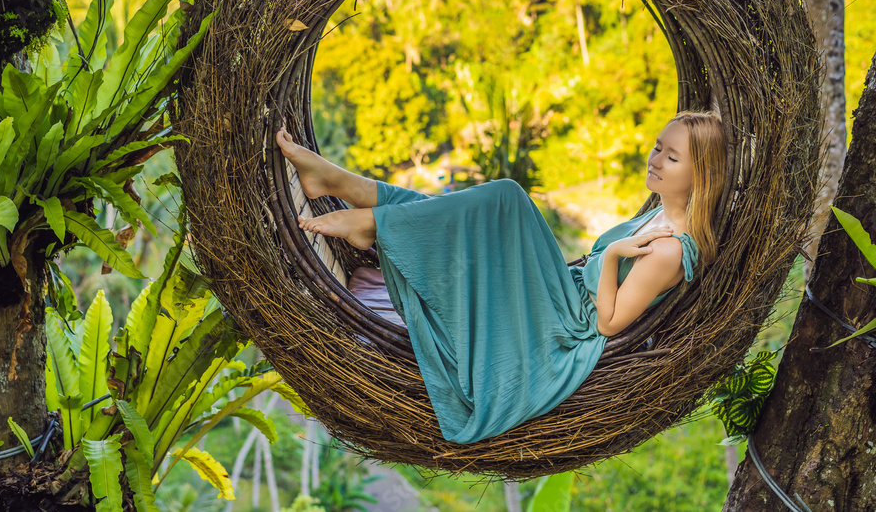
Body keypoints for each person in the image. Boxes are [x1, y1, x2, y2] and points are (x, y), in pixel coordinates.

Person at [275, 109, 727, 444]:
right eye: (657, 148)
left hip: (564, 325)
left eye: (672, 158)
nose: (656, 160)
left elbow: (608, 323)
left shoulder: (669, 250)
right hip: (564, 292)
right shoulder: (658, 217)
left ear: (699, 173)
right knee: (468, 220)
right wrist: (609, 255)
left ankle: (368, 217)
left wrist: (610, 257)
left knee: (506, 199)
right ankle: (341, 186)